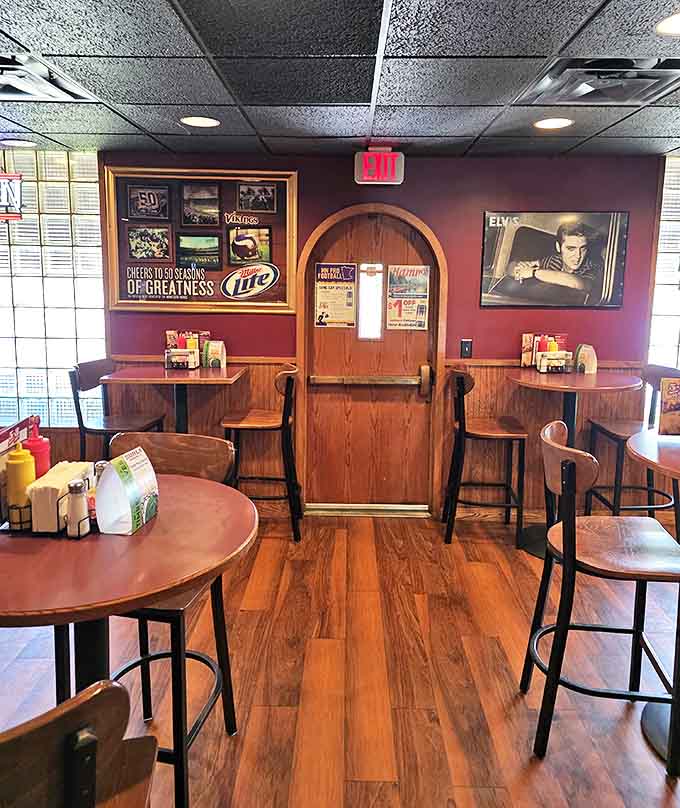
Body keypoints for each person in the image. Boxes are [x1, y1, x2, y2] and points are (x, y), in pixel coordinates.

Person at [508, 222, 601, 298]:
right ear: (558, 247)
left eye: (583, 248)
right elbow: (512, 267)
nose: (578, 255)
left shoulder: (592, 266)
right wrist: (519, 269)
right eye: (571, 249)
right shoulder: (555, 260)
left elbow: (579, 284)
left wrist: (534, 272)